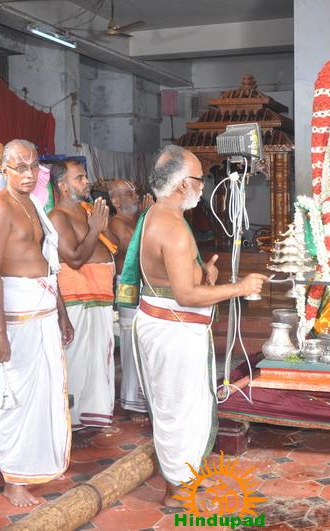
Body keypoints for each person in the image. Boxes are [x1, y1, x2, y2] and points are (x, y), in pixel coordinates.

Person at [118, 145, 266, 506]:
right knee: (180, 411)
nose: (203, 186)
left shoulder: (154, 214)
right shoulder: (174, 229)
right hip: (173, 332)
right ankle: (177, 490)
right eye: (200, 179)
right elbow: (185, 294)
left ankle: (180, 482)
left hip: (160, 323)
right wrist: (241, 288)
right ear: (184, 184)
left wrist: (206, 274)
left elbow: (174, 281)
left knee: (177, 407)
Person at [0, 139, 73, 507]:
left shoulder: (33, 203)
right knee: (17, 396)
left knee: (44, 396)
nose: (28, 173)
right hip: (18, 318)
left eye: (33, 166)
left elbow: (48, 264)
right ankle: (13, 478)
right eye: (19, 167)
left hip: (45, 310)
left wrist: (62, 312)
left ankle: (34, 467)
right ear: (4, 169)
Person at [48, 159, 119, 435]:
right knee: (76, 360)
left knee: (100, 359)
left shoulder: (89, 210)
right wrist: (94, 229)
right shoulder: (58, 217)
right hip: (76, 297)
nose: (87, 181)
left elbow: (114, 249)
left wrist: (101, 225)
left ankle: (94, 415)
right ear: (63, 186)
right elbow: (75, 259)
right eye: (79, 178)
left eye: (85, 176)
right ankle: (71, 420)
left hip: (100, 297)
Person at [108, 179, 153, 422]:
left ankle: (145, 396)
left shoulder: (137, 220)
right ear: (115, 201)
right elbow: (136, 248)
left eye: (135, 190)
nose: (136, 195)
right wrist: (147, 216)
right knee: (130, 342)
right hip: (127, 286)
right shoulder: (116, 222)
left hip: (145, 285)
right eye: (128, 193)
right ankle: (131, 402)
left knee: (145, 340)